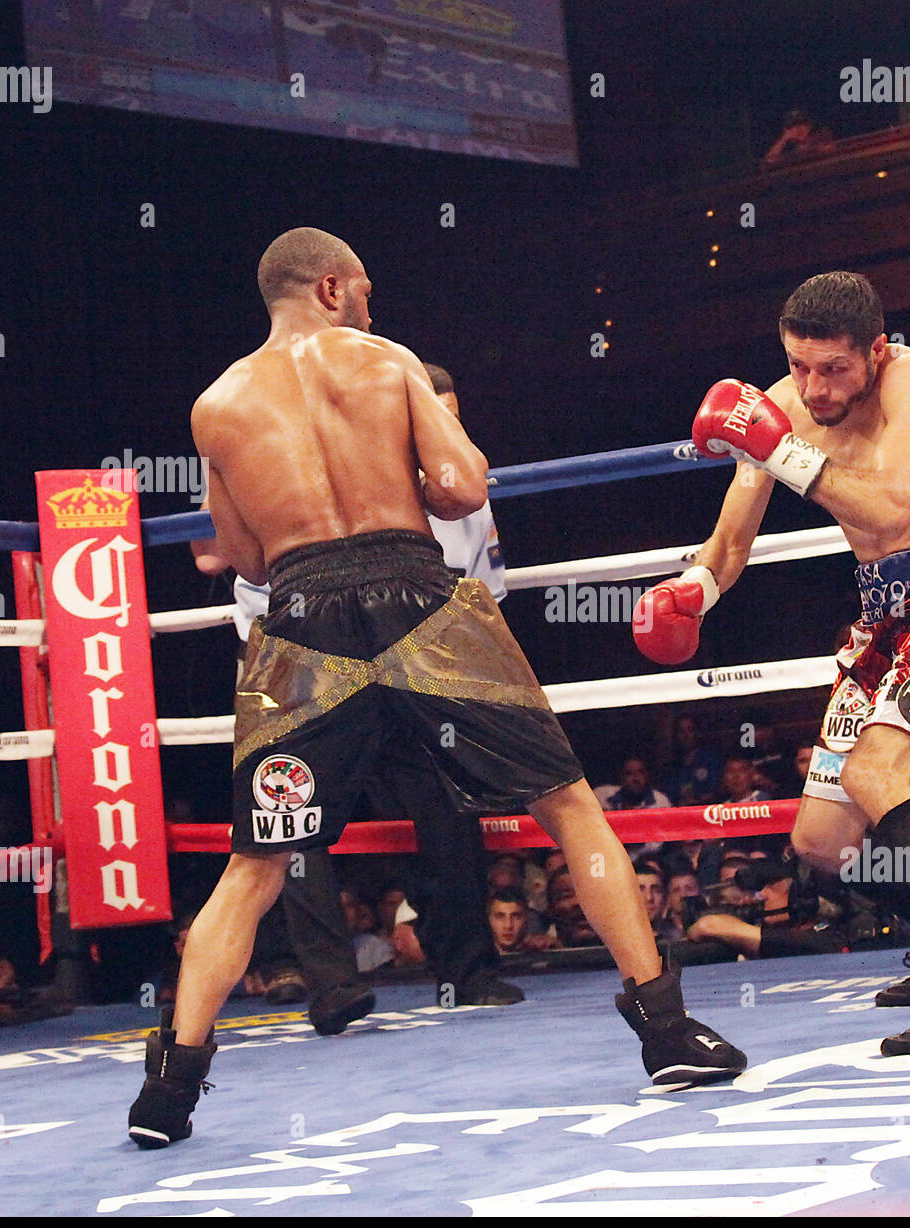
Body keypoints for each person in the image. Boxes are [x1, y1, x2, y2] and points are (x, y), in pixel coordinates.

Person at [128, 228, 745, 1148]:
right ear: (332, 288)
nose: (372, 304)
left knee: (255, 864)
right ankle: (664, 1029)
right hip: (422, 599)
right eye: (366, 288)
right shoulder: (389, 361)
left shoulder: (215, 405)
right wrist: (396, 476)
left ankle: (169, 1090)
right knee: (570, 805)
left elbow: (244, 555)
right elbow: (462, 487)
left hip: (300, 621)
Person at [633, 269, 910, 1055]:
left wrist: (778, 445)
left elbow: (886, 505)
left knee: (877, 775)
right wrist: (691, 592)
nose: (812, 387)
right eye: (799, 365)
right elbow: (731, 544)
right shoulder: (780, 406)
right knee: (822, 842)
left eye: (834, 369)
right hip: (881, 616)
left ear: (875, 351)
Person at [192, 360, 520, 1031]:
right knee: (289, 825)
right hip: (299, 656)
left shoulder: (465, 491)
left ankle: (467, 969)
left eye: (454, 414)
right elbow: (213, 547)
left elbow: (488, 595)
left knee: (448, 802)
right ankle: (331, 986)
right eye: (437, 413)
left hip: (422, 656)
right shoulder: (315, 457)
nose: (447, 426)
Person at [762, 109, 836, 168]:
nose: (798, 129)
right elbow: (769, 160)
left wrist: (816, 148)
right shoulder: (787, 146)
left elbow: (831, 150)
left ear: (809, 125)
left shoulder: (821, 135)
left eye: (802, 124)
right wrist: (784, 139)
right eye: (792, 127)